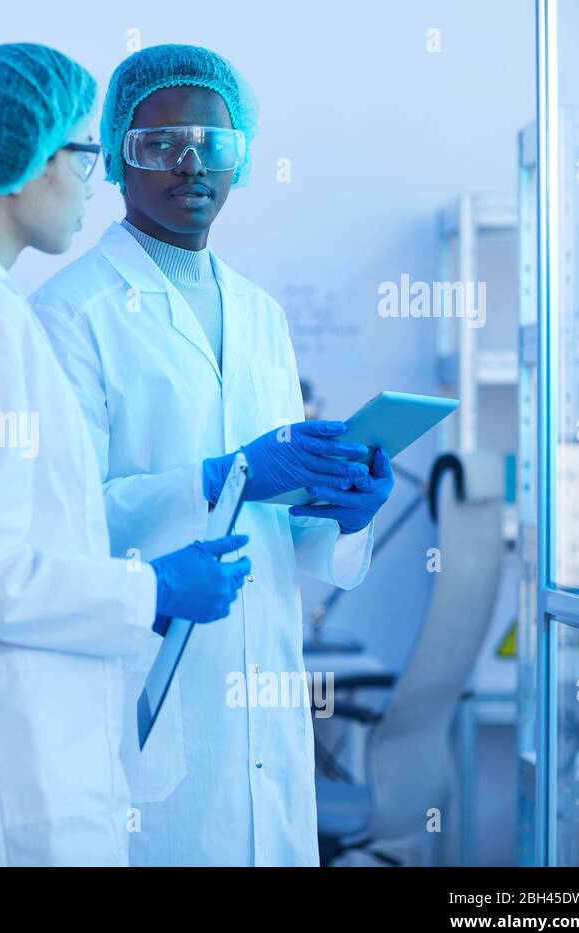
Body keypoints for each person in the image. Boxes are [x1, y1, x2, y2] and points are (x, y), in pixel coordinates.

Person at [0, 43, 254, 866]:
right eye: (83, 156)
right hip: (4, 769)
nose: (91, 180)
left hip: (12, 753)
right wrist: (154, 585)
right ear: (17, 160)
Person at [30, 44, 395, 866]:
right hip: (150, 683)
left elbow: (288, 538)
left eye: (214, 144)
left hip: (264, 695)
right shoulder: (68, 315)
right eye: (161, 145)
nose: (191, 165)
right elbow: (60, 519)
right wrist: (227, 475)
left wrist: (343, 509)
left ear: (243, 158)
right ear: (118, 162)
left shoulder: (261, 314)